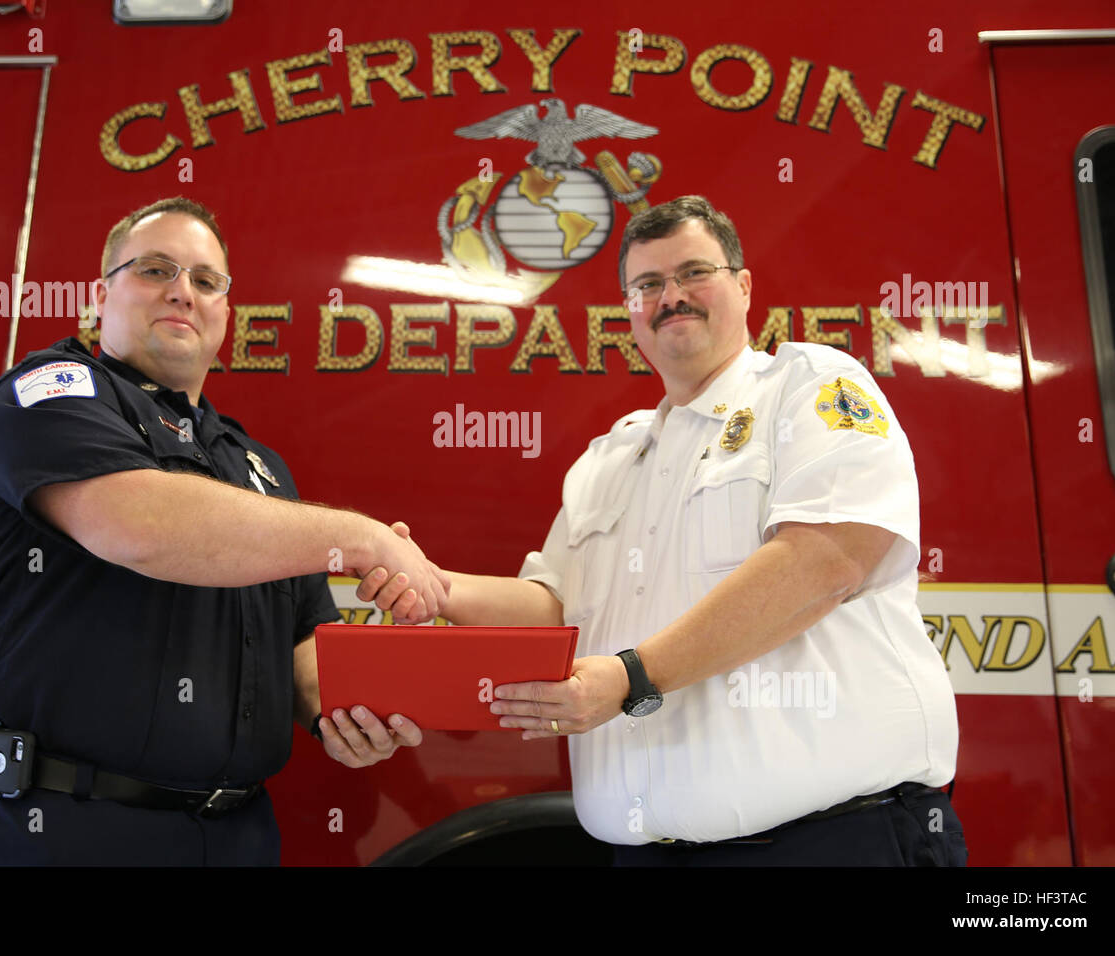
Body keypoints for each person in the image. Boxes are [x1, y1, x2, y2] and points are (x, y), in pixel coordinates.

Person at [367, 195, 966, 865]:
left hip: (828, 841)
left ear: (743, 287)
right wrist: (439, 588)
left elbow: (824, 565)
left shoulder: (808, 388)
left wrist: (632, 679)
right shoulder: (609, 460)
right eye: (648, 285)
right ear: (631, 313)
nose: (671, 297)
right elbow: (559, 606)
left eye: (693, 273)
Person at [0, 197, 443, 866]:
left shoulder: (261, 470)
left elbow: (300, 646)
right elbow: (139, 524)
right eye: (156, 268)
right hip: (51, 831)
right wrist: (367, 540)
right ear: (100, 292)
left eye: (205, 280)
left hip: (231, 837)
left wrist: (346, 714)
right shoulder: (51, 393)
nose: (182, 292)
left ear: (225, 310)